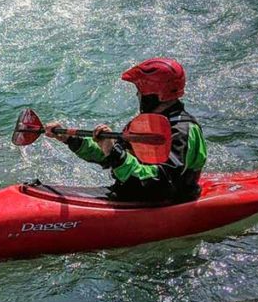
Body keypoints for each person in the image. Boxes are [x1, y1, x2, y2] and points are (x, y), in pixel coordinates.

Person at [45, 58, 206, 202]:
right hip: (133, 195)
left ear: (154, 93)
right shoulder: (144, 124)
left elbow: (160, 183)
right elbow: (109, 157)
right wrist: (71, 139)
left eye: (140, 90)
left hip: (163, 201)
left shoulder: (183, 130)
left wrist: (115, 154)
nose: (137, 95)